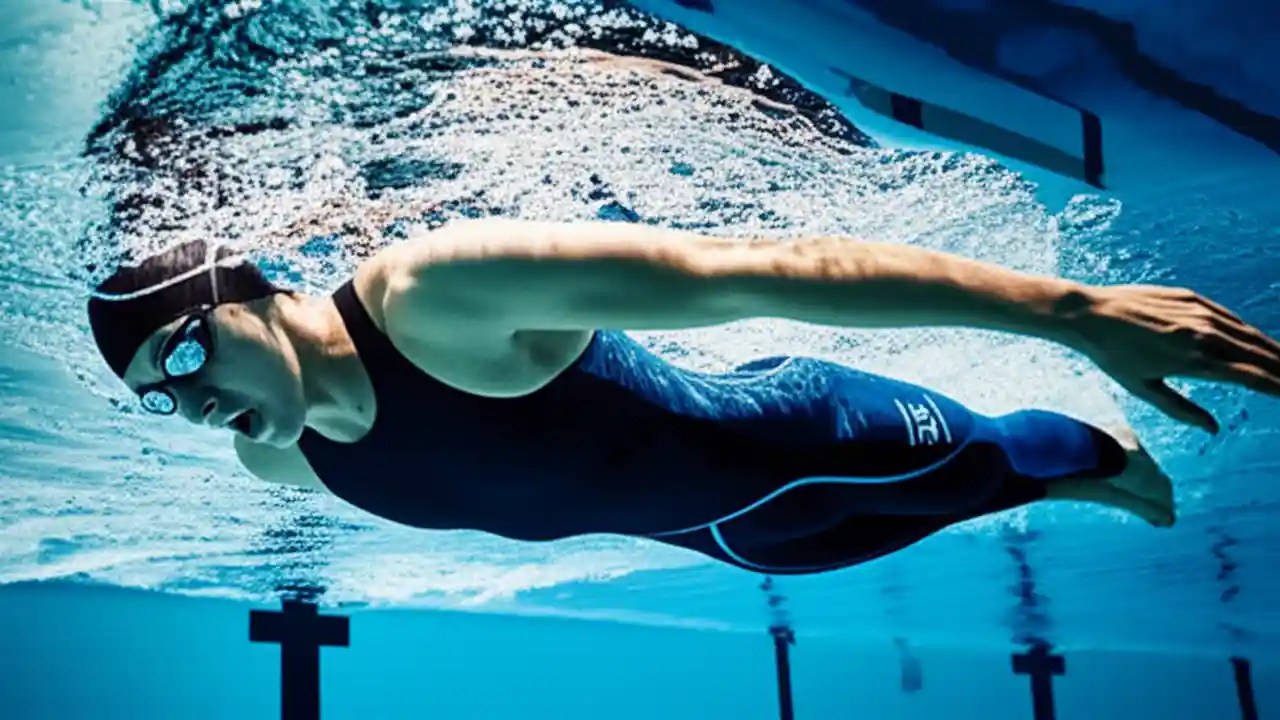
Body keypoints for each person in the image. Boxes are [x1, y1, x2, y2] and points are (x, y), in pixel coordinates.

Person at [86, 219, 1280, 573]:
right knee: (923, 519)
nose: (186, 406)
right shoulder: (277, 457)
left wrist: (1072, 312)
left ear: (241, 291)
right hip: (744, 543)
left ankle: (1111, 460)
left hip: (820, 437)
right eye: (154, 399)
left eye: (182, 356)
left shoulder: (432, 298)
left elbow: (770, 270)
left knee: (1008, 464)